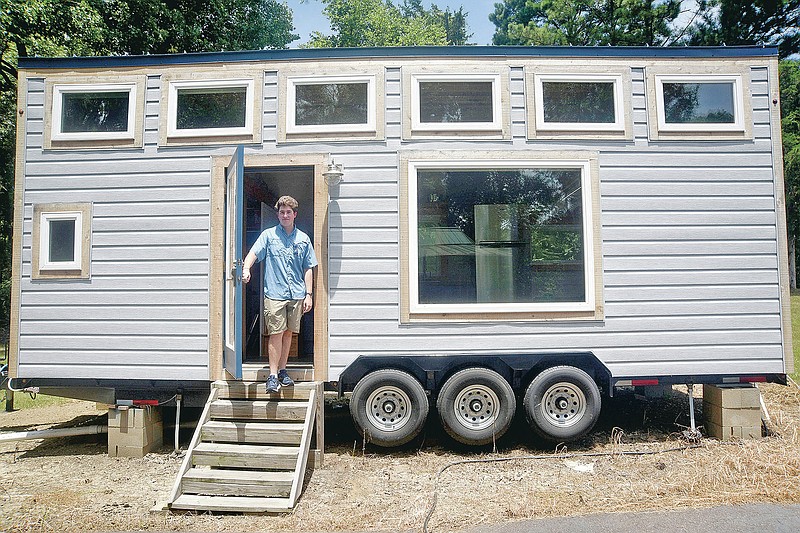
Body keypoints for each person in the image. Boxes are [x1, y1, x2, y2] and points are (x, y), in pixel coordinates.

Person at [242, 195, 317, 393]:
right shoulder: (268, 235)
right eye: (282, 212)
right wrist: (246, 268)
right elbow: (253, 253)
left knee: (288, 333)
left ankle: (283, 371)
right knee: (275, 333)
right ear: (278, 214)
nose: (285, 215)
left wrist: (309, 294)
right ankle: (273, 376)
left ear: (295, 215)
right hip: (275, 293)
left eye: (288, 212)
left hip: (297, 294)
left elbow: (308, 267)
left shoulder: (303, 239)